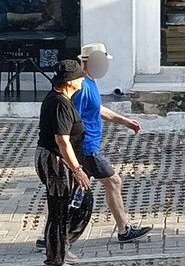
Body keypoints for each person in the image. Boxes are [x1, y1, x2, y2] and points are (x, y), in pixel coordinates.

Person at [35, 42, 152, 247]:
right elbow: (72, 118)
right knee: (113, 182)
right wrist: (76, 157)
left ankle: (48, 237)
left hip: (86, 148)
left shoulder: (89, 82)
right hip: (86, 148)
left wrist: (123, 121)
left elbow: (96, 108)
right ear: (87, 62)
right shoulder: (79, 87)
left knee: (71, 194)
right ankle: (124, 229)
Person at [36, 59, 93, 266]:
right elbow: (62, 141)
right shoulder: (59, 102)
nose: (82, 79)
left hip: (62, 160)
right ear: (69, 82)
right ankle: (54, 262)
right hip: (56, 161)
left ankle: (61, 248)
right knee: (59, 210)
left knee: (80, 202)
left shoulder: (63, 99)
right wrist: (77, 169)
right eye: (79, 77)